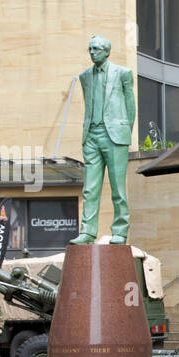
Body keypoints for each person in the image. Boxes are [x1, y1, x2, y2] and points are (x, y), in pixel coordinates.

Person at [71, 35, 135, 245]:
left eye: (96, 49)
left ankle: (120, 230)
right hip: (92, 135)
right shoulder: (85, 76)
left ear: (107, 51)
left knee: (118, 187)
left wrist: (124, 132)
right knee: (90, 188)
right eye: (90, 49)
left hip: (114, 136)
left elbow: (130, 106)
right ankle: (87, 232)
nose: (92, 52)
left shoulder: (123, 73)